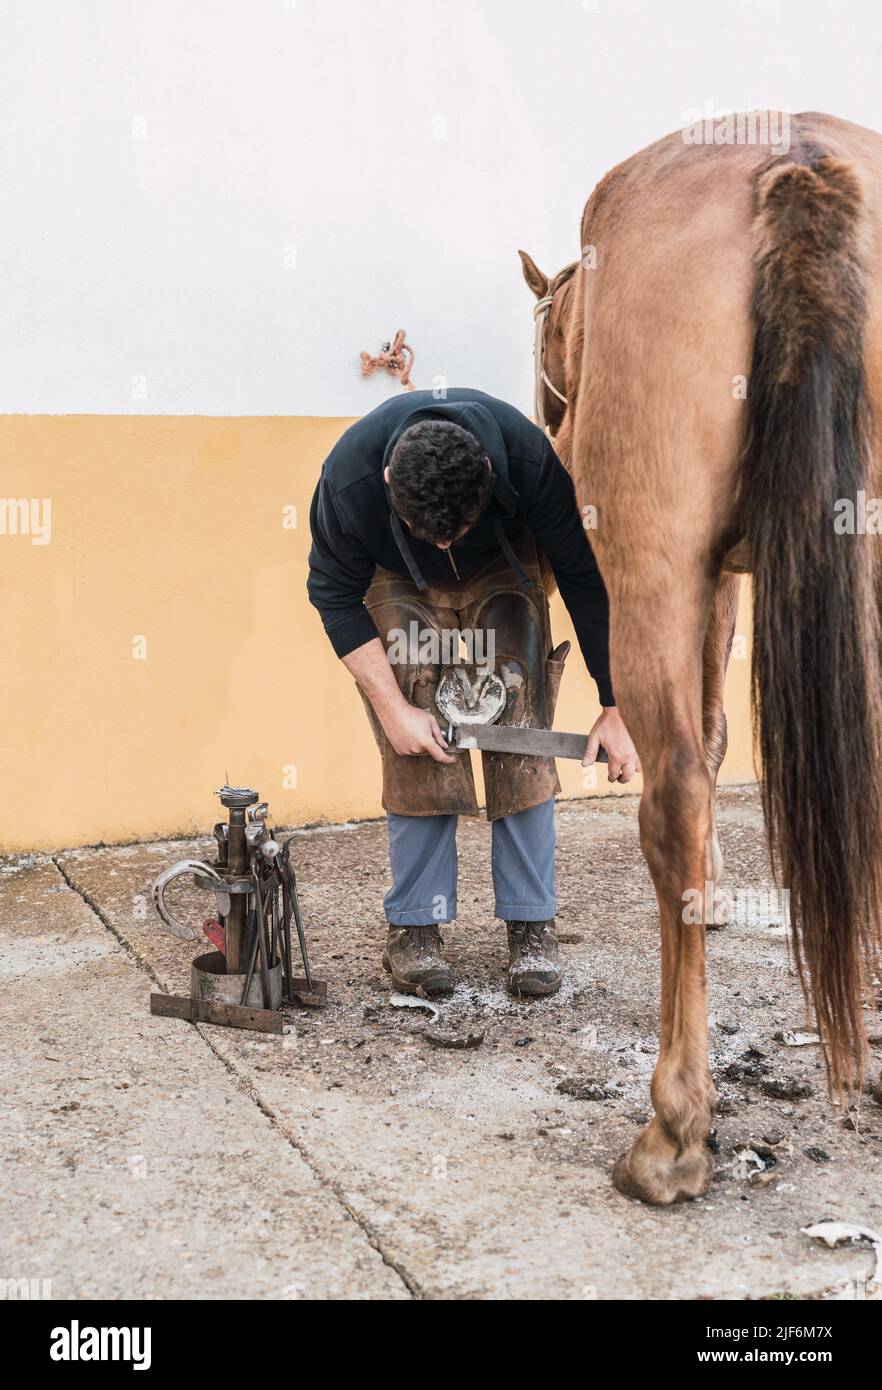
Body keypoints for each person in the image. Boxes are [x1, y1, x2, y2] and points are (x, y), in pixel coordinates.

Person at [307, 388, 638, 998]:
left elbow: (585, 579)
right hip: (397, 577)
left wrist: (616, 704)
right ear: (386, 481)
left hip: (503, 567)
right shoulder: (349, 481)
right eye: (429, 533)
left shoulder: (530, 461)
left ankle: (532, 923)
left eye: (452, 532)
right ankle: (416, 927)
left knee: (521, 719)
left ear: (488, 473)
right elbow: (332, 596)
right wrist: (393, 709)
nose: (443, 547)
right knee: (418, 726)